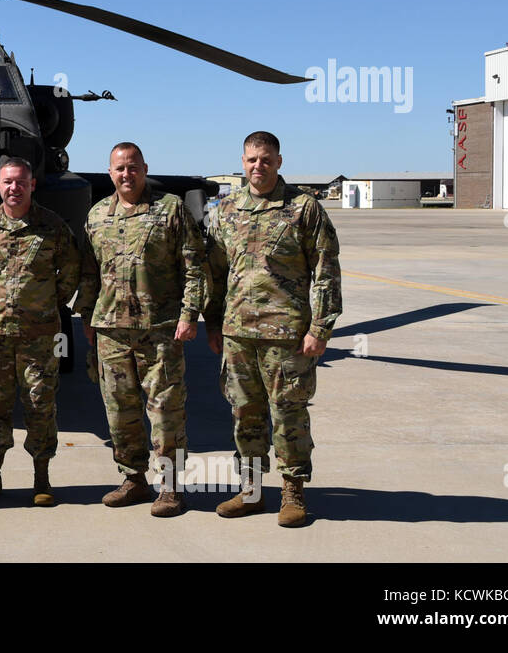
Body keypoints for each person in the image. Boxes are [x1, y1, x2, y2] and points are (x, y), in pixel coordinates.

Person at [204, 131, 341, 527]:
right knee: (244, 414)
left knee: (288, 415)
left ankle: (293, 493)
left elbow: (327, 270)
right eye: (251, 160)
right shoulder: (226, 210)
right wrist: (213, 322)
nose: (257, 166)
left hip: (288, 335)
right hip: (237, 334)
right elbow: (214, 272)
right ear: (242, 161)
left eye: (265, 159)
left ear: (279, 161)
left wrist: (321, 327)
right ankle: (250, 492)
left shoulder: (304, 208)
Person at [74, 142, 206, 517]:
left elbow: (193, 265)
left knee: (165, 412)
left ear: (144, 168)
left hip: (160, 329)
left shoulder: (169, 209)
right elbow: (89, 272)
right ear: (110, 172)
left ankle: (171, 487)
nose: (126, 174)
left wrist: (189, 314)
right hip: (111, 330)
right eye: (119, 169)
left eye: (132, 167)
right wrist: (86, 315)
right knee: (120, 412)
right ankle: (133, 478)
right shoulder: (97, 215)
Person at [0, 157, 80, 506]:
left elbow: (71, 271)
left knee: (40, 404)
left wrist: (46, 303)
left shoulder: (53, 226)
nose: (14, 188)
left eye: (21, 181)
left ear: (32, 185)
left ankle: (41, 478)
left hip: (39, 336)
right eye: (7, 182)